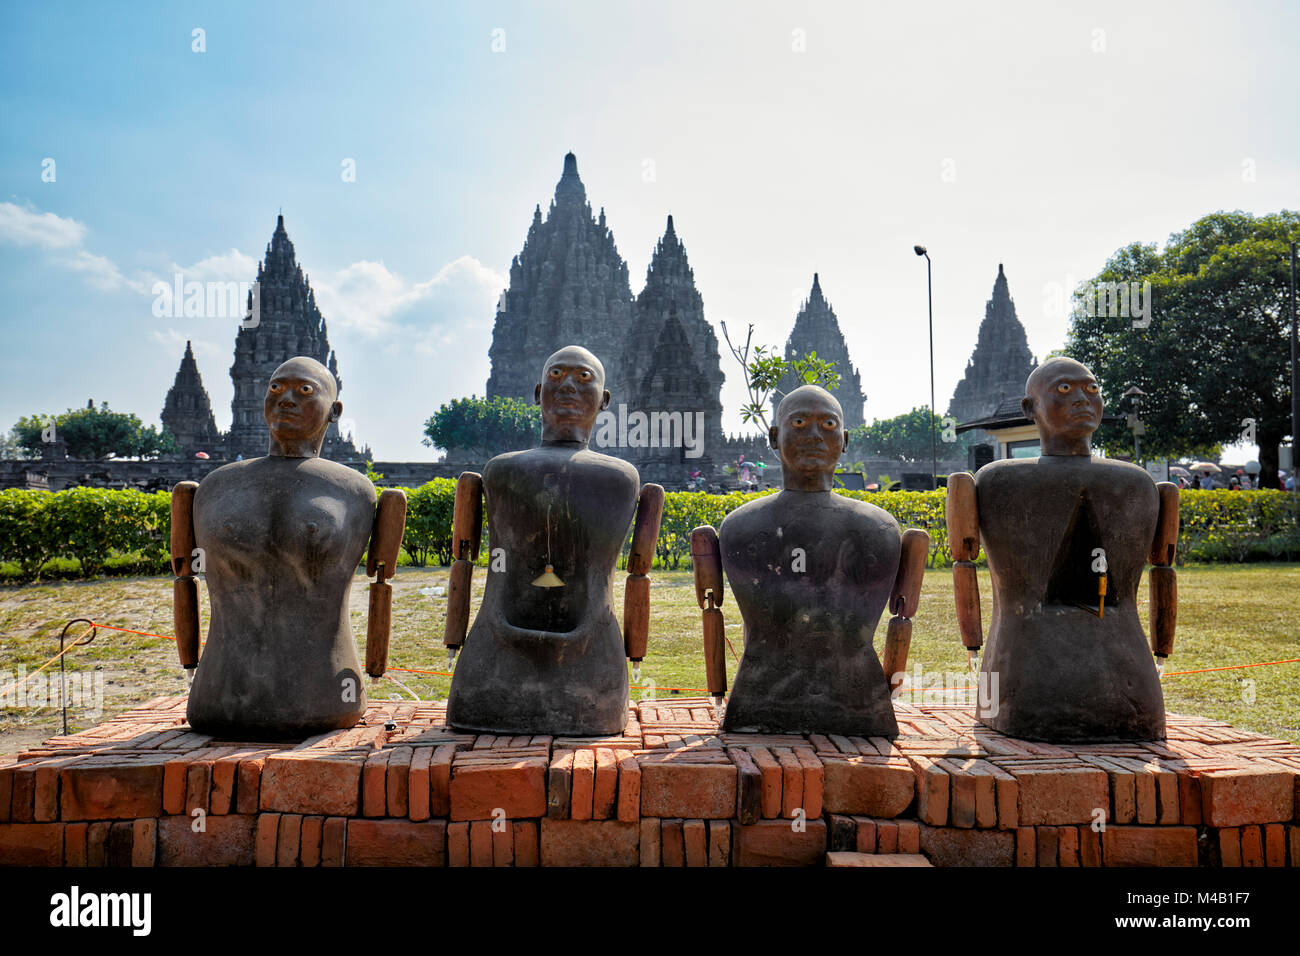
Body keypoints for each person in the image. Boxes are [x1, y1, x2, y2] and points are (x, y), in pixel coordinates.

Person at [947, 357, 1175, 742]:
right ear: (1029, 408)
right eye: (1065, 390)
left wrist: (1162, 648)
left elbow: (1162, 572)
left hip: (1124, 677)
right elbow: (963, 564)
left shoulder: (1137, 486)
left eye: (1092, 389)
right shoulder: (999, 485)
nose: (1083, 399)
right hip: (1025, 678)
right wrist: (973, 639)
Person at [445, 346, 663, 735]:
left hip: (591, 660)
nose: (567, 387)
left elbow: (627, 574)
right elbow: (472, 562)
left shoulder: (618, 480)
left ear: (604, 399)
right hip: (493, 656)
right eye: (556, 375)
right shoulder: (501, 472)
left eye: (583, 378)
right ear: (537, 392)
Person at [693, 385, 927, 736]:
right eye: (799, 423)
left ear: (845, 440)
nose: (815, 435)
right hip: (759, 700)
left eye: (828, 425)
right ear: (774, 437)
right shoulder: (741, 529)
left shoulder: (876, 530)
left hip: (859, 703)